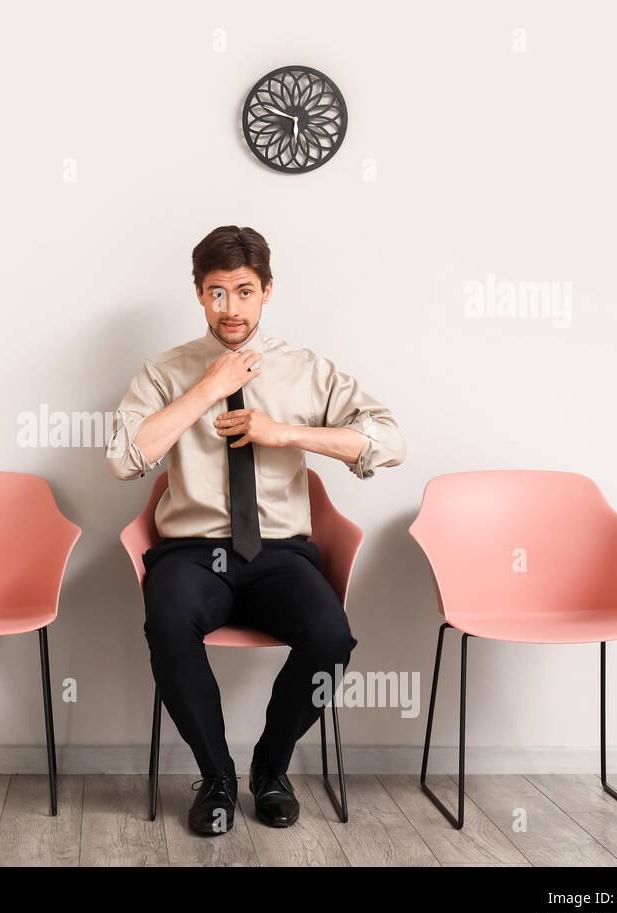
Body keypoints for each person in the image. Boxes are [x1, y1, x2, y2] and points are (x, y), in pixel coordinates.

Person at [106, 225, 406, 835]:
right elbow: (123, 458)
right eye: (216, 293)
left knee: (331, 638)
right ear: (199, 295)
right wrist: (209, 388)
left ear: (267, 291)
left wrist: (288, 435)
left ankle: (270, 770)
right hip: (192, 555)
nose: (231, 308)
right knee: (167, 624)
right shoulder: (165, 371)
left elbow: (390, 441)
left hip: (279, 555)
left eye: (244, 292)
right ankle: (215, 778)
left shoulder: (305, 369)